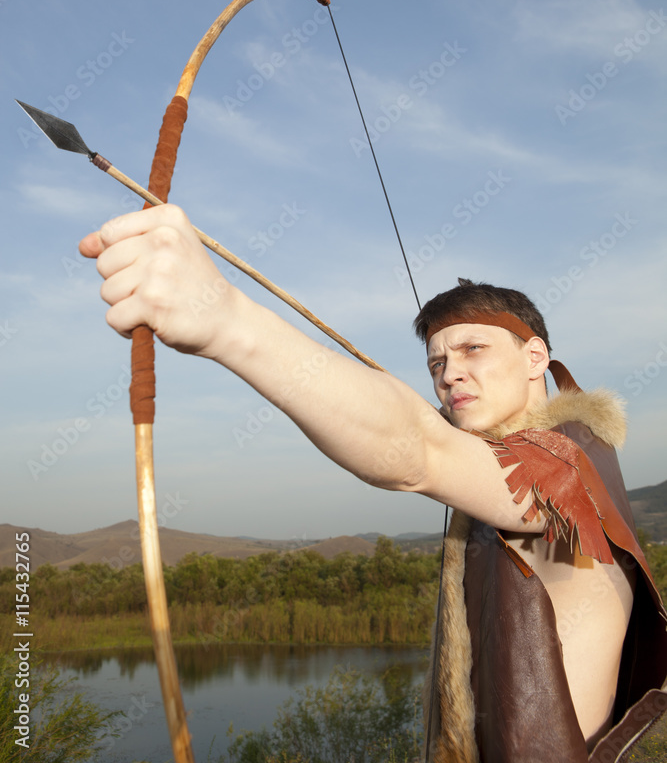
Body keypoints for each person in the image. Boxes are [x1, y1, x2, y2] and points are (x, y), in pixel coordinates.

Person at [79, 203, 666, 763]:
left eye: (473, 348)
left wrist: (224, 321)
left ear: (536, 356)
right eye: (436, 363)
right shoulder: (511, 464)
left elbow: (417, 450)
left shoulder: (567, 457)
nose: (449, 373)